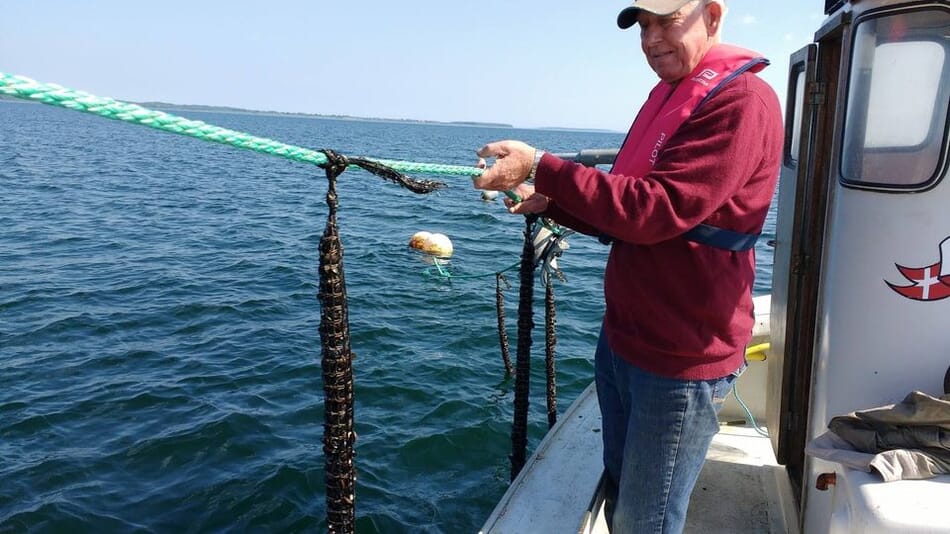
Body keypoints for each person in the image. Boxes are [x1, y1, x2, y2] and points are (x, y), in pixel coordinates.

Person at [472, 0, 783, 532]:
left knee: (647, 518)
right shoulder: (669, 95)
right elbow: (628, 210)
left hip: (680, 356)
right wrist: (554, 203)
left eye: (667, 21)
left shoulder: (742, 101)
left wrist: (542, 166)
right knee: (620, 488)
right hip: (623, 340)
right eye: (643, 26)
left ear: (712, 15)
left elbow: (656, 210)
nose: (651, 39)